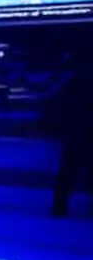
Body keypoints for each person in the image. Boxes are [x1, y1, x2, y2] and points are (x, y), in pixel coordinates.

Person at [48, 52, 93, 217]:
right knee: (83, 170)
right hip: (84, 133)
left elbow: (58, 104)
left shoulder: (74, 84)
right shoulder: (78, 84)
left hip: (75, 133)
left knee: (68, 171)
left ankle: (59, 206)